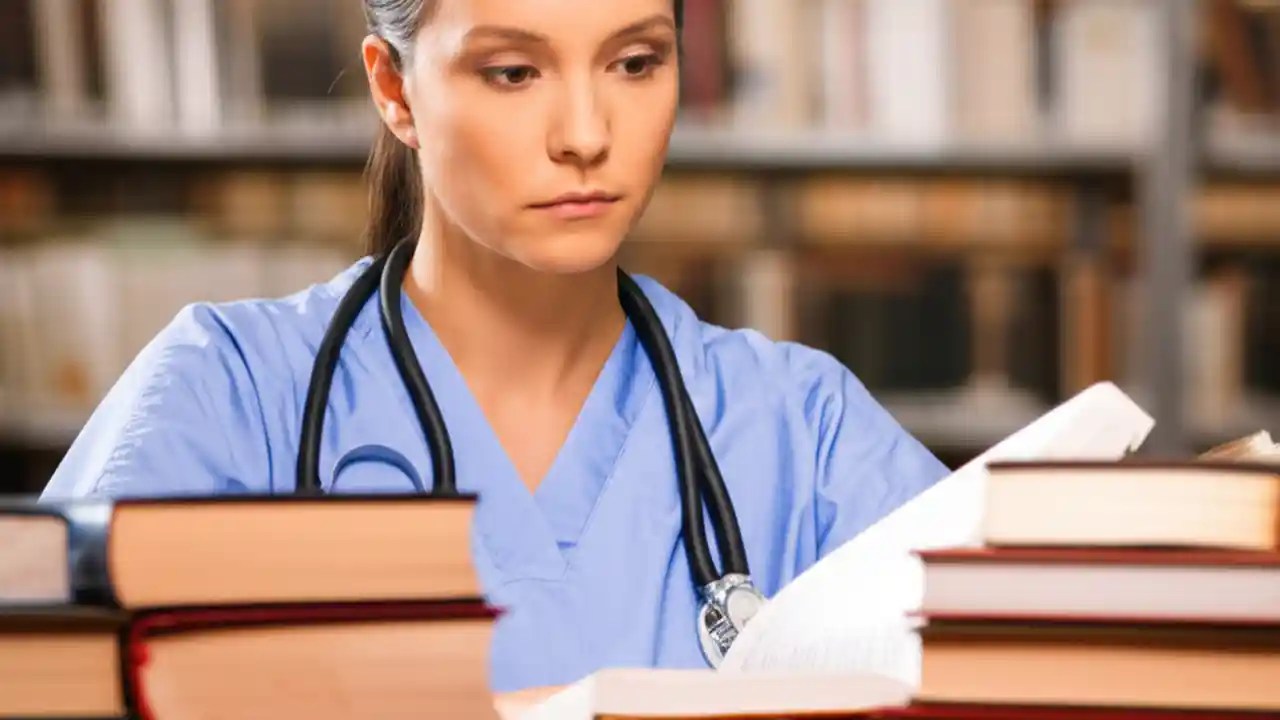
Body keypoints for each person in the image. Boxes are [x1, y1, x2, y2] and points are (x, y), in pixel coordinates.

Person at [40, 0, 949, 698]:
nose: (586, 135)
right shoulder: (229, 396)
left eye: (636, 63)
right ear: (395, 91)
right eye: (514, 73)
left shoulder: (806, 432)